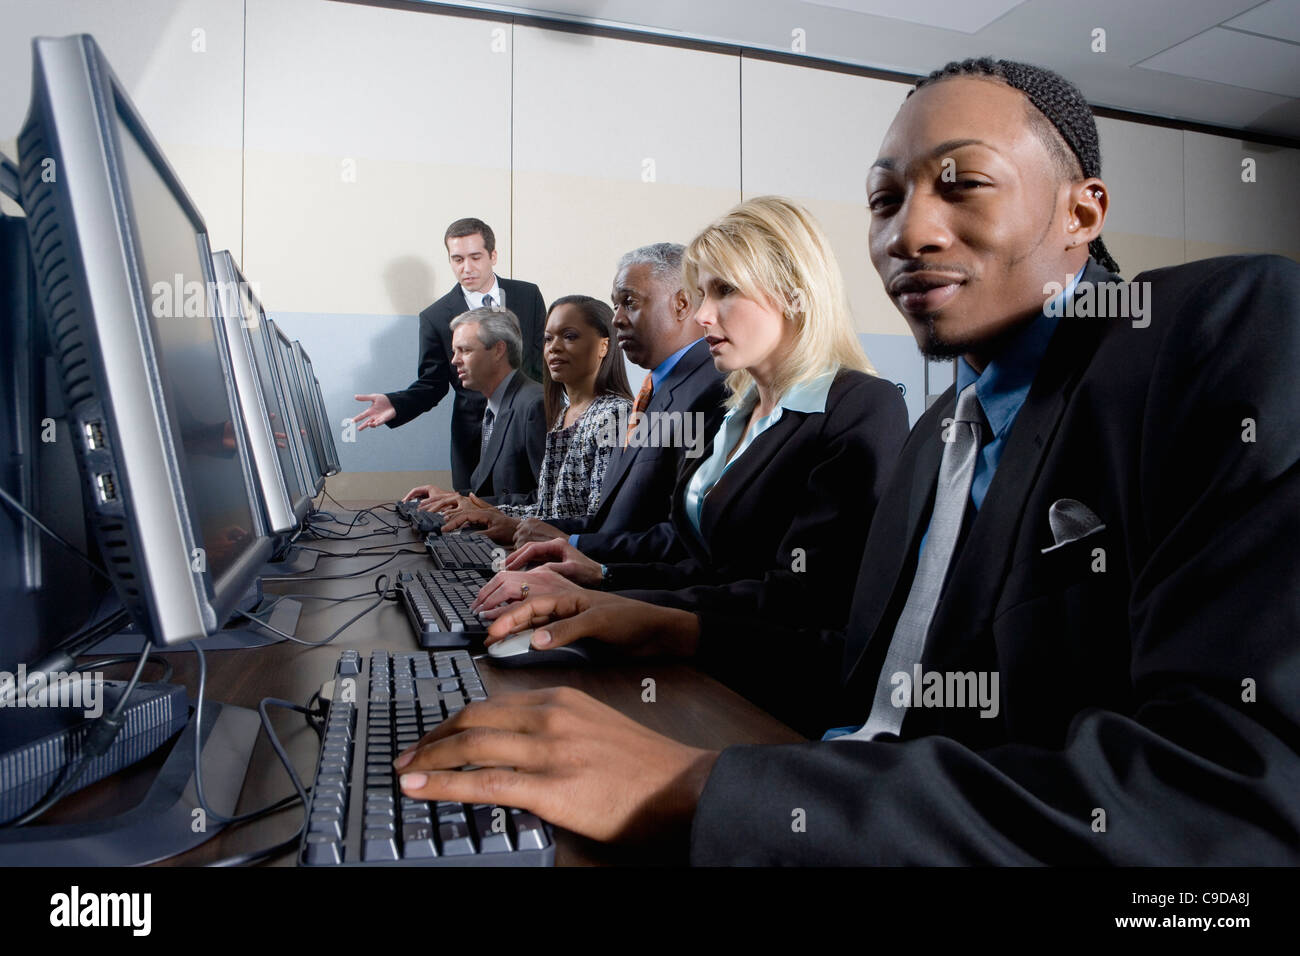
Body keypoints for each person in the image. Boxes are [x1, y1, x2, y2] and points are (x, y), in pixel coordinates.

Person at [390, 57, 1300, 865]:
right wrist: (645, 622)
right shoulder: (941, 432)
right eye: (884, 200)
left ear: (1083, 208)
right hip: (828, 784)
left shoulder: (1214, 334)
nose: (912, 232)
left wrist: (700, 793)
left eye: (964, 186)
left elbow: (1232, 802)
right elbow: (865, 676)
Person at [472, 197, 909, 732]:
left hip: (765, 693)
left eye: (725, 291)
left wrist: (635, 611)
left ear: (795, 294)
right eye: (703, 293)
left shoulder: (860, 406)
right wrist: (602, 578)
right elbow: (694, 559)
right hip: (695, 666)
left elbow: (803, 601)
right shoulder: (737, 407)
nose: (702, 314)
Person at [512, 242, 728, 562]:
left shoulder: (710, 393)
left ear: (682, 303)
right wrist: (544, 531)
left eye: (629, 302)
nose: (616, 319)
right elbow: (614, 519)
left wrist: (574, 545)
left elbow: (686, 539)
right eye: (615, 306)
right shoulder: (656, 389)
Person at [352, 218, 546, 489]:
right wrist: (396, 403)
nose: (466, 268)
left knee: (533, 512)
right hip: (475, 438)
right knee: (470, 519)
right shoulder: (434, 317)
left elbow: (543, 364)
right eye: (457, 259)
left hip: (533, 426)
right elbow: (432, 384)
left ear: (493, 256)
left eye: (475, 257)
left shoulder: (528, 295)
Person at [440, 296, 633, 540]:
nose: (554, 347)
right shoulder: (564, 414)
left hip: (578, 565)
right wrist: (486, 511)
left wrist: (513, 526)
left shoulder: (615, 414)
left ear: (604, 346)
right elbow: (546, 509)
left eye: (570, 336)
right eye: (548, 339)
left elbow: (599, 521)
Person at [401, 307, 546, 508]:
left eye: (465, 350)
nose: (454, 361)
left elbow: (549, 500)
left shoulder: (534, 405)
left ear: (498, 350)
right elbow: (491, 492)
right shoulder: (496, 405)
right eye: (454, 351)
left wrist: (472, 504)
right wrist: (451, 498)